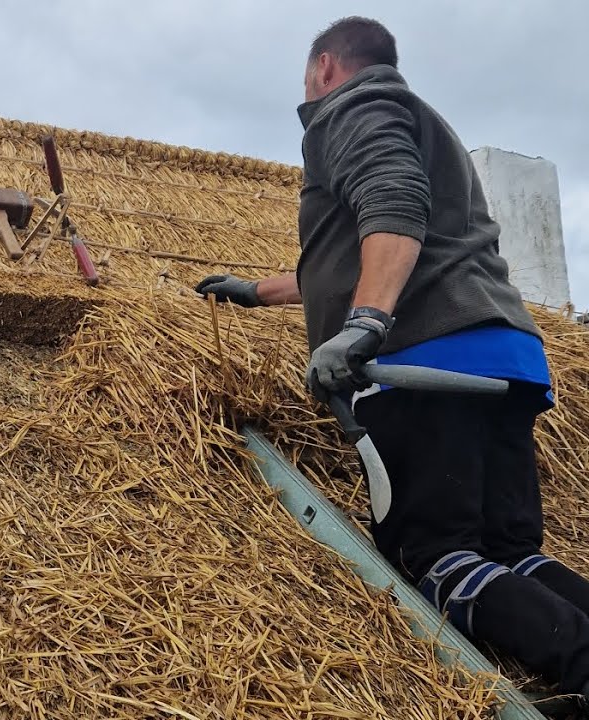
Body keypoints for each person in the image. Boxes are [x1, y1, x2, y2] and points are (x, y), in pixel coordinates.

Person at [197, 16, 589, 697]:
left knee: (437, 555)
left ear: (324, 66)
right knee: (510, 552)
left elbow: (392, 206)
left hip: (426, 357)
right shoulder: (417, 119)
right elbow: (358, 250)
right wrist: (257, 292)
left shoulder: (354, 106)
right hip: (505, 355)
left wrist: (364, 325)